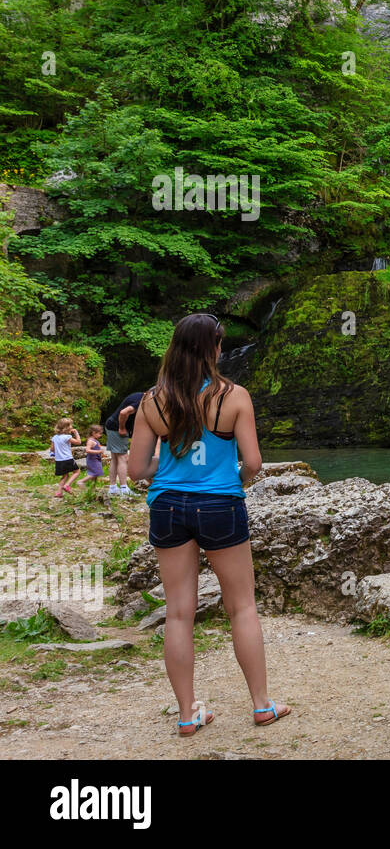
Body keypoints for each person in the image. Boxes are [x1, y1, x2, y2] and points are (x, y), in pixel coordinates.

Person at [128, 313, 290, 736]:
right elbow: (253, 462)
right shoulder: (234, 396)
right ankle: (262, 705)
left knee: (179, 613)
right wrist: (230, 483)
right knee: (242, 606)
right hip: (220, 505)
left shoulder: (151, 401)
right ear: (214, 348)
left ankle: (187, 714)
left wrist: (166, 471)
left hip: (167, 507)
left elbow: (135, 469)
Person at [105, 391, 143, 496]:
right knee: (123, 458)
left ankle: (112, 487)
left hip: (111, 425)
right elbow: (123, 412)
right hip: (117, 428)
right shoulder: (141, 401)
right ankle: (124, 488)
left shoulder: (139, 395)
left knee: (115, 458)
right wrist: (121, 428)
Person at [49, 418, 81, 499]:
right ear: (66, 427)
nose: (72, 426)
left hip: (59, 460)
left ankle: (59, 492)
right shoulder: (67, 437)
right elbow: (78, 442)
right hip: (68, 458)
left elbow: (52, 449)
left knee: (64, 476)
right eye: (70, 425)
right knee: (77, 472)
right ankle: (67, 485)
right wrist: (76, 433)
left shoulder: (54, 437)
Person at [74, 424, 105, 493]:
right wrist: (98, 451)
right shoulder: (91, 441)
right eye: (99, 433)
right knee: (94, 473)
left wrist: (100, 454)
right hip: (92, 460)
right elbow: (87, 450)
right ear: (94, 433)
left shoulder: (95, 440)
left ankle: (93, 489)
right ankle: (81, 481)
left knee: (96, 475)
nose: (100, 435)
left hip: (96, 459)